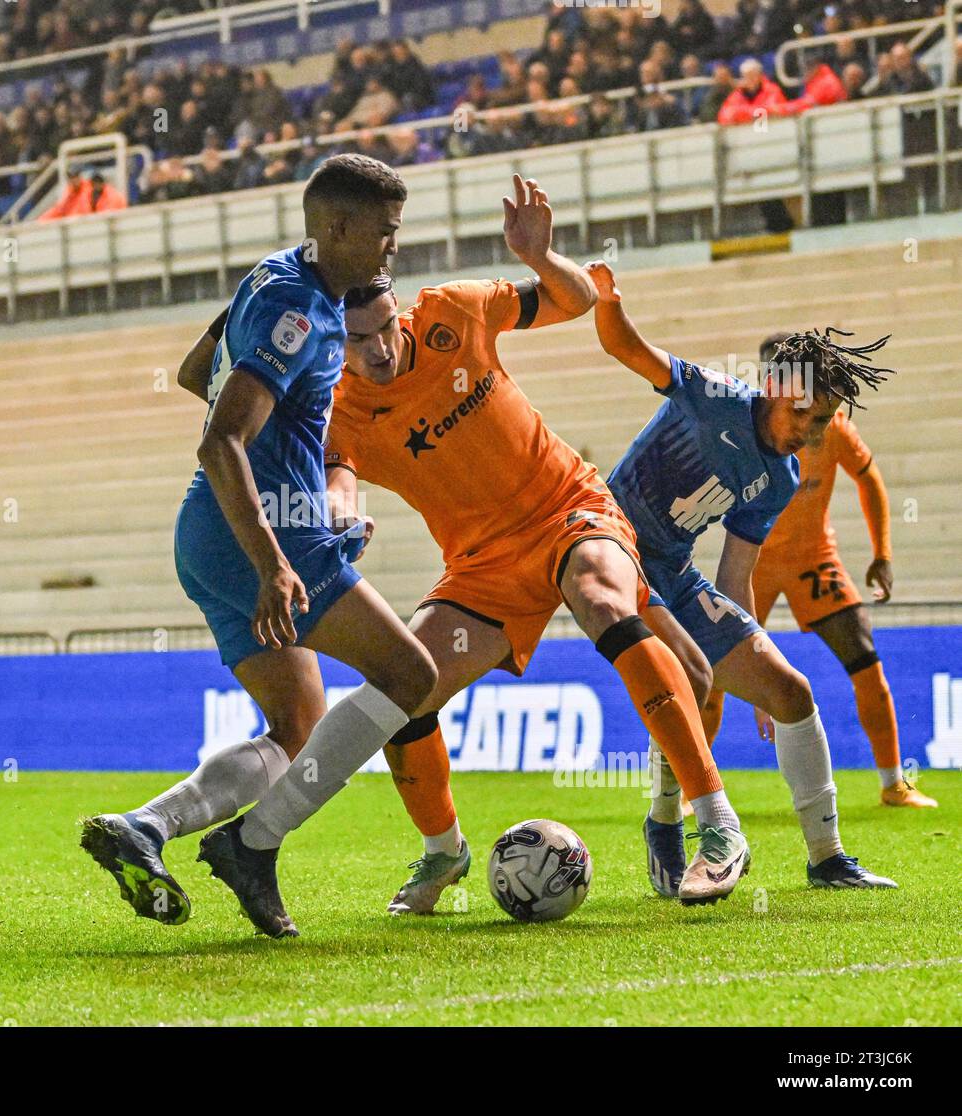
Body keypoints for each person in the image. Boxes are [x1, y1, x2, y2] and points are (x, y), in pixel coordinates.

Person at [175, 176, 753, 914]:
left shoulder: (457, 310)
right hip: (482, 567)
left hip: (570, 508)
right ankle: (443, 853)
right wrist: (342, 516)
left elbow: (574, 301)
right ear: (333, 343)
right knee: (403, 691)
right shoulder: (340, 409)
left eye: (389, 328)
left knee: (602, 599)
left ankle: (719, 829)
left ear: (404, 310)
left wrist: (543, 258)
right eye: (358, 342)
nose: (380, 349)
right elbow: (338, 479)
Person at [80, 155, 436, 939]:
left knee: (297, 724)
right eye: (384, 232)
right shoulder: (301, 311)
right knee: (411, 673)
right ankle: (249, 847)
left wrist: (307, 499)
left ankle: (147, 826)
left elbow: (192, 372)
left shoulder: (272, 277)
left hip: (210, 532)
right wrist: (278, 559)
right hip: (262, 539)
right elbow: (221, 441)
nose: (392, 247)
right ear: (338, 227)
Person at [587, 260, 899, 892]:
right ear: (776, 387)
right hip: (611, 556)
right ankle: (670, 823)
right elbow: (626, 347)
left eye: (821, 425)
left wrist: (743, 644)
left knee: (790, 692)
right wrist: (606, 299)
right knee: (692, 682)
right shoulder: (711, 396)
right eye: (804, 417)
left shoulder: (780, 478)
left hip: (672, 574)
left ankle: (827, 858)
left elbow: (736, 570)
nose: (809, 436)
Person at [701, 334, 936, 809]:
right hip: (754, 561)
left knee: (865, 660)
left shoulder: (833, 427)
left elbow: (869, 477)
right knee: (709, 670)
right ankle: (694, 787)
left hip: (815, 560)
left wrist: (883, 552)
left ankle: (894, 784)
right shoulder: (740, 427)